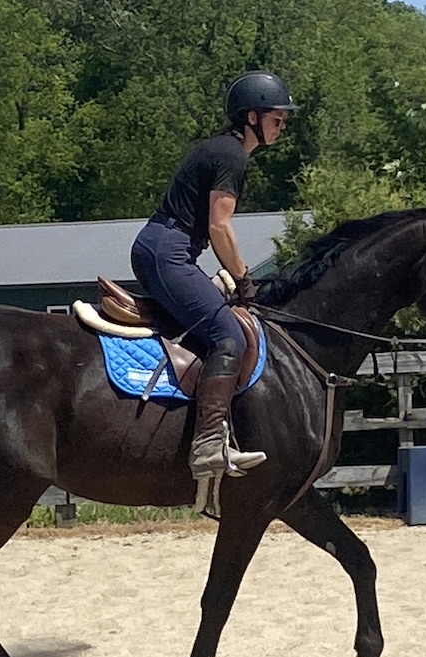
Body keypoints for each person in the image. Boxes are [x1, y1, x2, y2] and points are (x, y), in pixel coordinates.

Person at [130, 70, 299, 498]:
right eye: (277, 118)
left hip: (167, 249)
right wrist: (243, 279)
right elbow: (219, 226)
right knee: (228, 334)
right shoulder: (232, 155)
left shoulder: (224, 150)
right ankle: (207, 443)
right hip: (168, 252)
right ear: (251, 117)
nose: (282, 126)